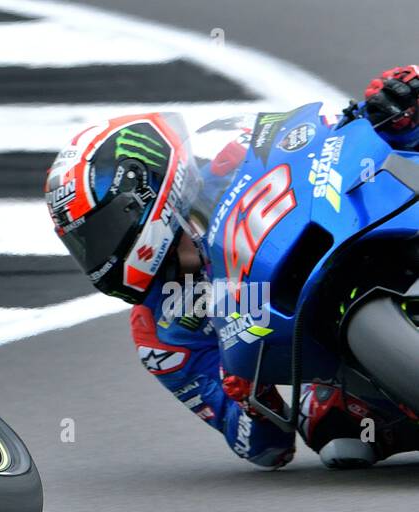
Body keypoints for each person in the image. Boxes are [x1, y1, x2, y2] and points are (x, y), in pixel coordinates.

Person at [44, 66, 419, 469]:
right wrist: (246, 399)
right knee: (335, 431)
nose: (97, 254)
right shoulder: (160, 333)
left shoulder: (233, 157)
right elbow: (261, 448)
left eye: (100, 234)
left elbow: (335, 137)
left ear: (142, 190)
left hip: (351, 227)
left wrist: (394, 111)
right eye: (82, 243)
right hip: (337, 360)